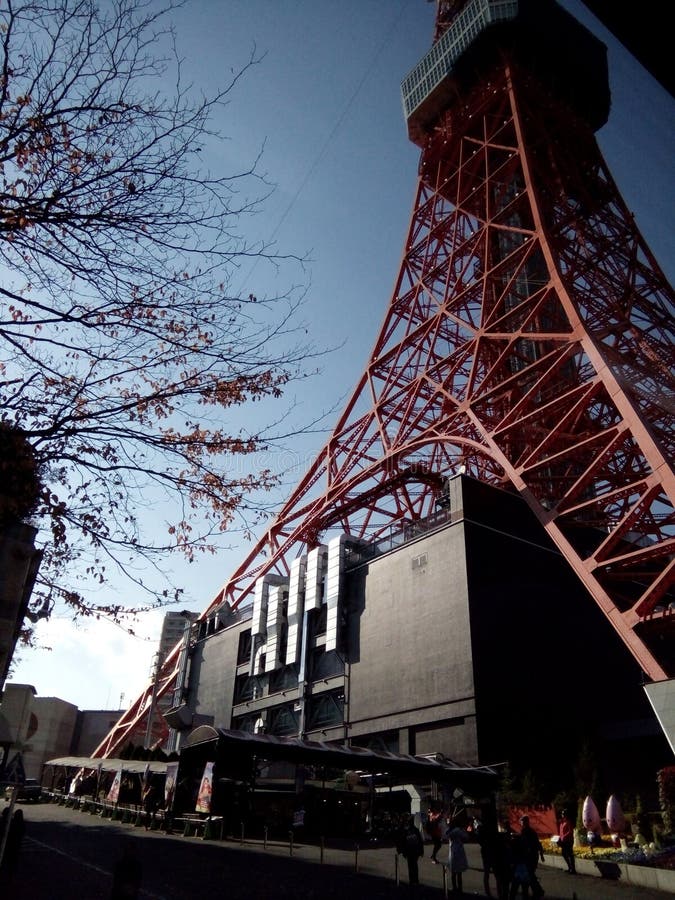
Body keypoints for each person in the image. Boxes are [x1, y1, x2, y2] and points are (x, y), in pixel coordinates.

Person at [518, 815, 545, 898]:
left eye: (522, 821)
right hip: (533, 856)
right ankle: (536, 890)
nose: (522, 823)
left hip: (530, 856)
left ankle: (537, 890)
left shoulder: (526, 831)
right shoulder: (530, 831)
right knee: (530, 874)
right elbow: (538, 843)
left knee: (530, 874)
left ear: (526, 822)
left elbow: (530, 844)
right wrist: (541, 855)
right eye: (521, 821)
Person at [396, 814, 424, 888]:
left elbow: (402, 841)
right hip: (413, 851)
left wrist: (401, 850)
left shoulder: (408, 831)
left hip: (411, 851)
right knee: (414, 865)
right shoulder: (414, 830)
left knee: (412, 866)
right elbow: (420, 841)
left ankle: (413, 880)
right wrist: (421, 851)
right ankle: (414, 880)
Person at [0, 807, 25, 888]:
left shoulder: (10, 823)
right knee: (11, 864)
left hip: (9, 847)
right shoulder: (17, 824)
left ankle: (7, 877)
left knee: (7, 862)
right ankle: (9, 878)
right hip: (14, 847)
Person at [447, 824, 469, 895]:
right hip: (459, 850)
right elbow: (466, 837)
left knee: (454, 872)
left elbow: (446, 835)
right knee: (459, 873)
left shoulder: (453, 831)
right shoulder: (459, 830)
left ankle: (455, 887)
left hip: (454, 851)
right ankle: (460, 888)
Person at [558, 809, 576, 874]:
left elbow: (570, 831)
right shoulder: (561, 823)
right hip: (563, 841)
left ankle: (573, 869)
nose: (562, 815)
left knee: (570, 854)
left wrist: (564, 836)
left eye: (564, 814)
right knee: (564, 854)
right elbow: (560, 833)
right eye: (562, 814)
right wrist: (560, 838)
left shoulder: (568, 822)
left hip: (568, 841)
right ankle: (569, 867)